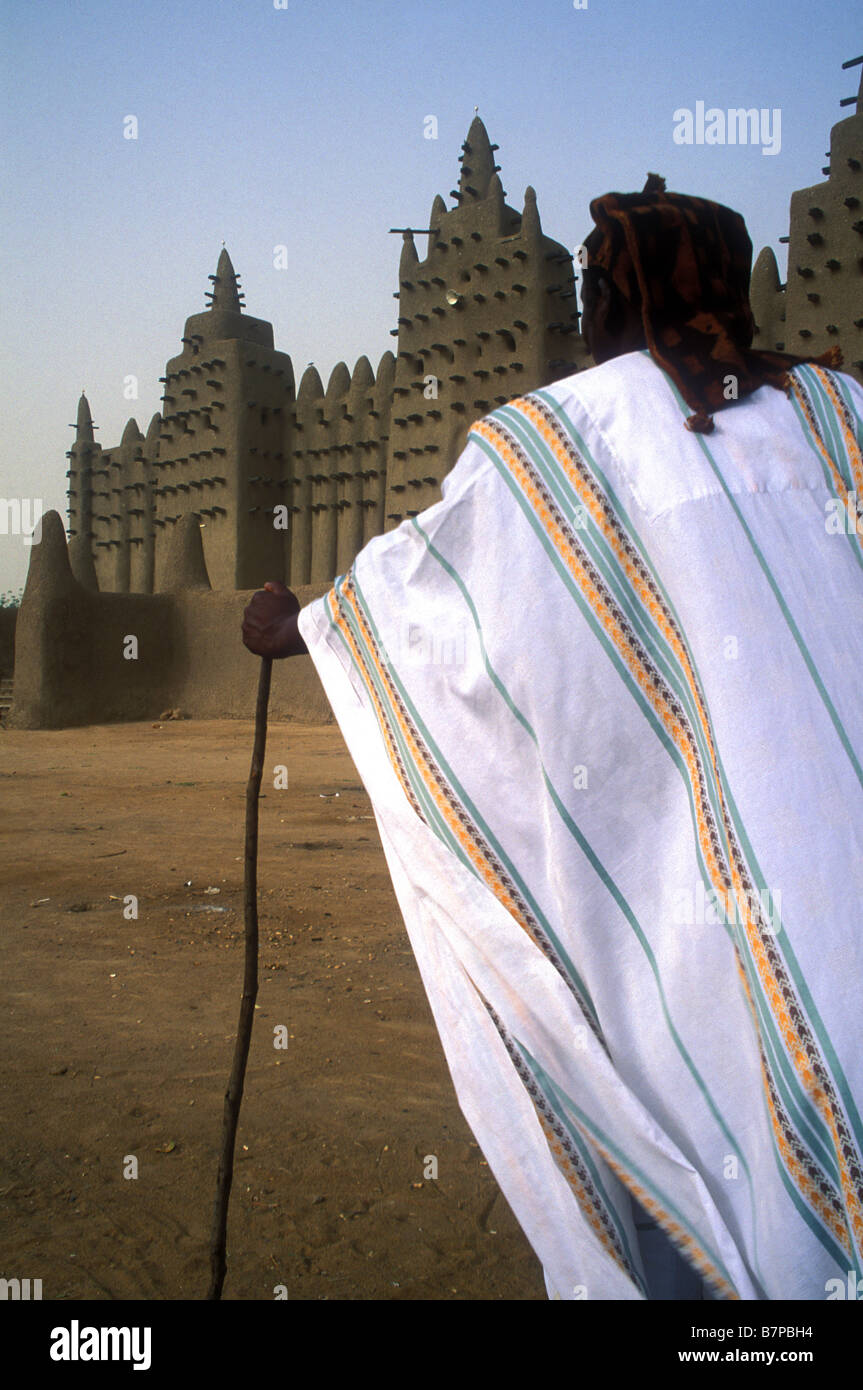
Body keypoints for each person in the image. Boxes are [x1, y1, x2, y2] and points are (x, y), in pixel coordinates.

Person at [242, 176, 863, 1300]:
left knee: (684, 1096)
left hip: (692, 906)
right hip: (843, 876)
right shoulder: (839, 414)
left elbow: (439, 596)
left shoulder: (554, 437)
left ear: (613, 294)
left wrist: (304, 626)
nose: (578, 305)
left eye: (587, 281)